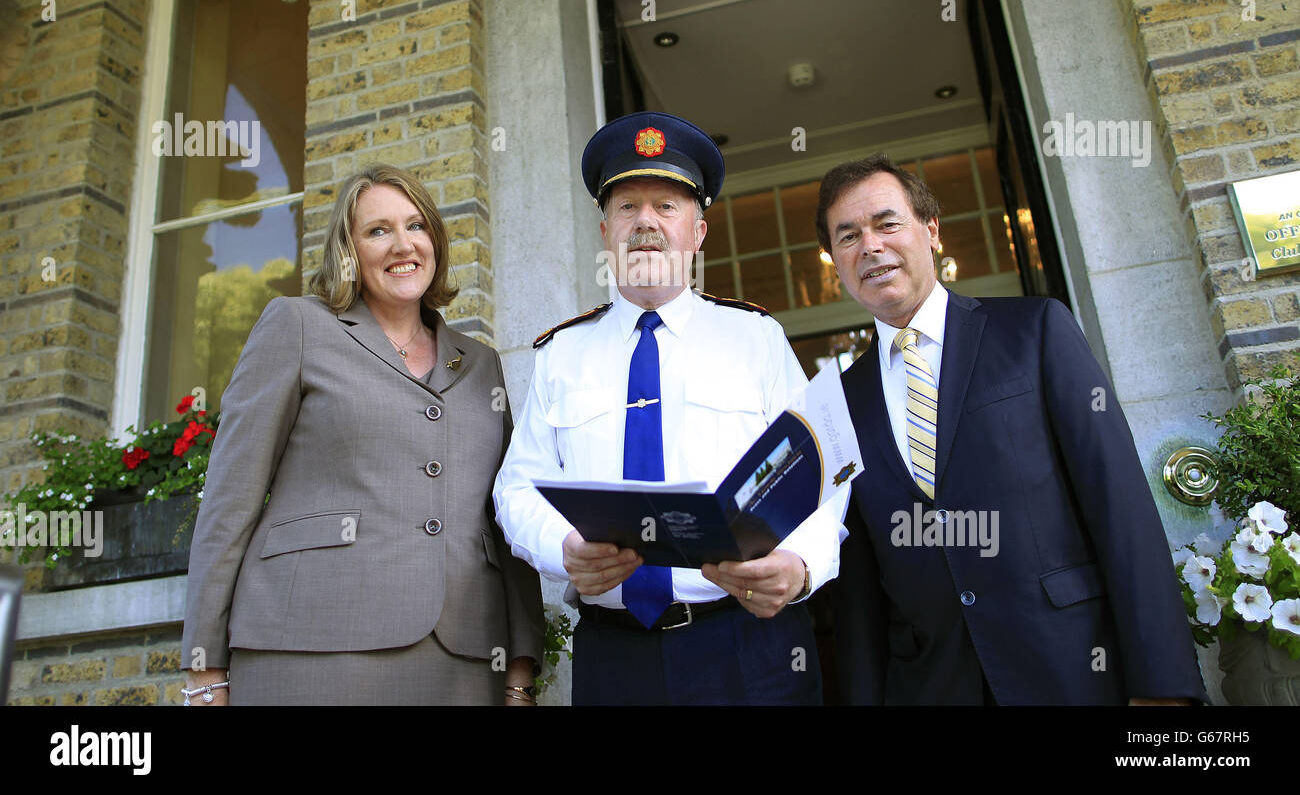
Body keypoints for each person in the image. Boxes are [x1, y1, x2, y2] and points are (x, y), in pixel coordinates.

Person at [818, 154, 1208, 704]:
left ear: (930, 231)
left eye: (888, 224)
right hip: (931, 686)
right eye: (849, 236)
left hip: (1074, 671)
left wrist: (1161, 686)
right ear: (834, 259)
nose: (871, 246)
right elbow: (857, 583)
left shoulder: (1034, 331)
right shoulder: (838, 400)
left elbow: (1118, 505)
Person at [493, 111, 849, 705]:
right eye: (628, 207)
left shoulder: (756, 338)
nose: (646, 224)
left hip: (749, 644)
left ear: (698, 231)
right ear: (605, 232)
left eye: (667, 207)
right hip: (615, 656)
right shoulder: (562, 355)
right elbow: (517, 487)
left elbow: (820, 470)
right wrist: (564, 550)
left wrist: (802, 564)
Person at [181, 165, 543, 705]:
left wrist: (519, 671)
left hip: (464, 661)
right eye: (378, 230)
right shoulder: (297, 326)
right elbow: (230, 499)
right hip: (311, 646)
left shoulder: (482, 364)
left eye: (416, 226)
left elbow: (507, 512)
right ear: (347, 249)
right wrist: (204, 670)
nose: (403, 245)